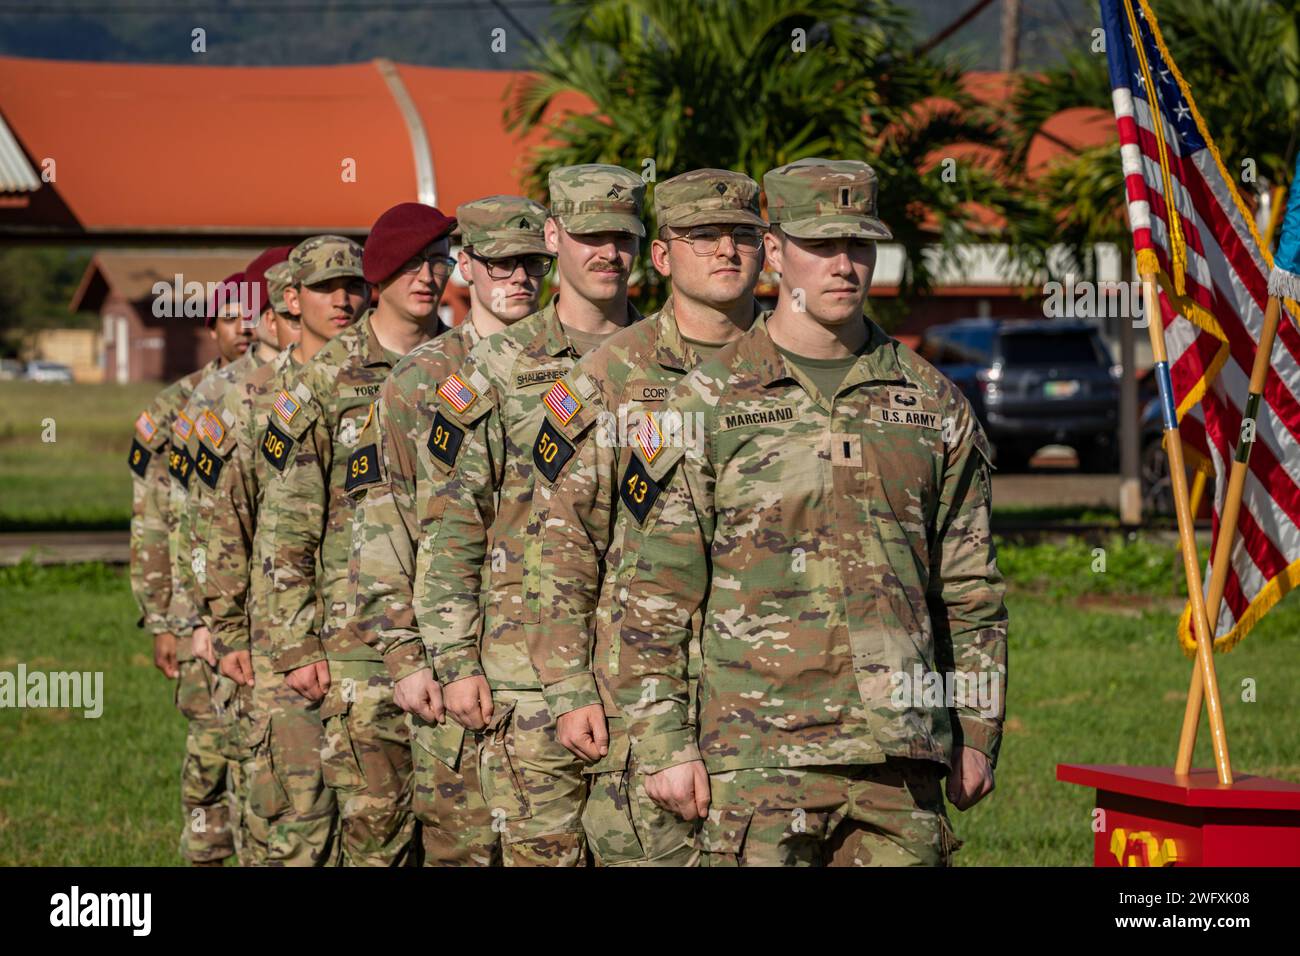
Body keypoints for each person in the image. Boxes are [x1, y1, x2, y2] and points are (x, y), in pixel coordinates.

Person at [610, 158, 1008, 867]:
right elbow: (655, 594)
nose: (844, 265)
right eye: (821, 245)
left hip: (900, 755)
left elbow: (970, 587)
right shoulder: (702, 403)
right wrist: (665, 744)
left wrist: (977, 729)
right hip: (758, 754)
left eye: (859, 245)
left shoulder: (931, 403)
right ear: (775, 249)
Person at [528, 168, 766, 865]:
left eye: (744, 236)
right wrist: (570, 689)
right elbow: (561, 544)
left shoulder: (793, 369)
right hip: (648, 707)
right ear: (662, 258)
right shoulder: (606, 378)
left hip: (779, 713)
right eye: (703, 236)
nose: (727, 251)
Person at [419, 164, 644, 865]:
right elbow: (451, 527)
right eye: (588, 236)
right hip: (524, 681)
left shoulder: (678, 363)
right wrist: (454, 662)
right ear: (556, 236)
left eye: (623, 237)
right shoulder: (494, 370)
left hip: (653, 677)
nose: (608, 252)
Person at [349, 195, 553, 865]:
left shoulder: (577, 369)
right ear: (468, 268)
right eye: (500, 263)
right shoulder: (419, 381)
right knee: (460, 848)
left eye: (532, 263)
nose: (519, 278)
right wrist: (406, 657)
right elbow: (382, 527)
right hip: (451, 658)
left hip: (549, 664)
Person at [260, 206, 456, 866]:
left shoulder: (472, 365)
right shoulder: (324, 380)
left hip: (456, 634)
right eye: (409, 263)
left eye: (439, 260)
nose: (427, 277)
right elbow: (288, 521)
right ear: (378, 273)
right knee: (377, 830)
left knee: (460, 832)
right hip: (355, 646)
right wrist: (296, 644)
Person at [159, 272, 253, 865]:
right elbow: (167, 519)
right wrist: (168, 616)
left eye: (255, 314)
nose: (245, 327)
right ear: (211, 327)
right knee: (210, 757)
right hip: (205, 612)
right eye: (232, 317)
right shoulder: (186, 404)